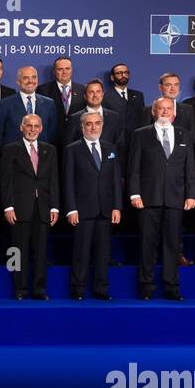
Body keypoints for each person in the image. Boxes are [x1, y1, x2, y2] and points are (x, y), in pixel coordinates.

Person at [126, 97, 195, 300]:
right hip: (148, 198)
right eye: (160, 109)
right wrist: (135, 193)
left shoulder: (184, 134)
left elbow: (190, 167)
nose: (164, 112)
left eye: (168, 109)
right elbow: (134, 168)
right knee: (147, 244)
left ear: (174, 113)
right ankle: (146, 287)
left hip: (176, 198)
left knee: (173, 245)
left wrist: (191, 195)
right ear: (153, 112)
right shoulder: (141, 134)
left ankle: (172, 287)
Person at [63, 110, 121, 300]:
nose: (93, 127)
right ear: (82, 127)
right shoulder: (72, 149)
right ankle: (77, 289)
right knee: (81, 252)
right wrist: (71, 208)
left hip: (105, 209)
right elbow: (68, 181)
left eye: (97, 123)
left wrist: (116, 207)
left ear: (102, 126)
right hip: (82, 210)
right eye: (89, 124)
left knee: (103, 253)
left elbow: (115, 180)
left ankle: (101, 289)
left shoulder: (111, 148)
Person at [0, 113, 59, 300]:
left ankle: (40, 290)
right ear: (21, 127)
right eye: (29, 126)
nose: (32, 129)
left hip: (43, 209)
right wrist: (8, 206)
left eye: (36, 126)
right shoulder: (11, 149)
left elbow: (53, 180)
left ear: (41, 128)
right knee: (17, 251)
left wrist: (55, 207)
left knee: (41, 252)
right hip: (18, 209)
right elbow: (5, 181)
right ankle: (19, 289)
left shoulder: (50, 150)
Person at [0, 65, 57, 149]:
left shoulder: (49, 104)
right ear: (18, 82)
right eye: (26, 78)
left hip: (42, 158)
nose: (30, 81)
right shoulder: (5, 104)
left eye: (33, 77)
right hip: (13, 158)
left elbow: (52, 134)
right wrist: (8, 154)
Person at [101, 62, 145, 140]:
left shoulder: (138, 95)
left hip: (136, 140)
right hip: (115, 141)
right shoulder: (105, 97)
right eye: (119, 73)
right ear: (112, 77)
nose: (123, 75)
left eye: (126, 73)